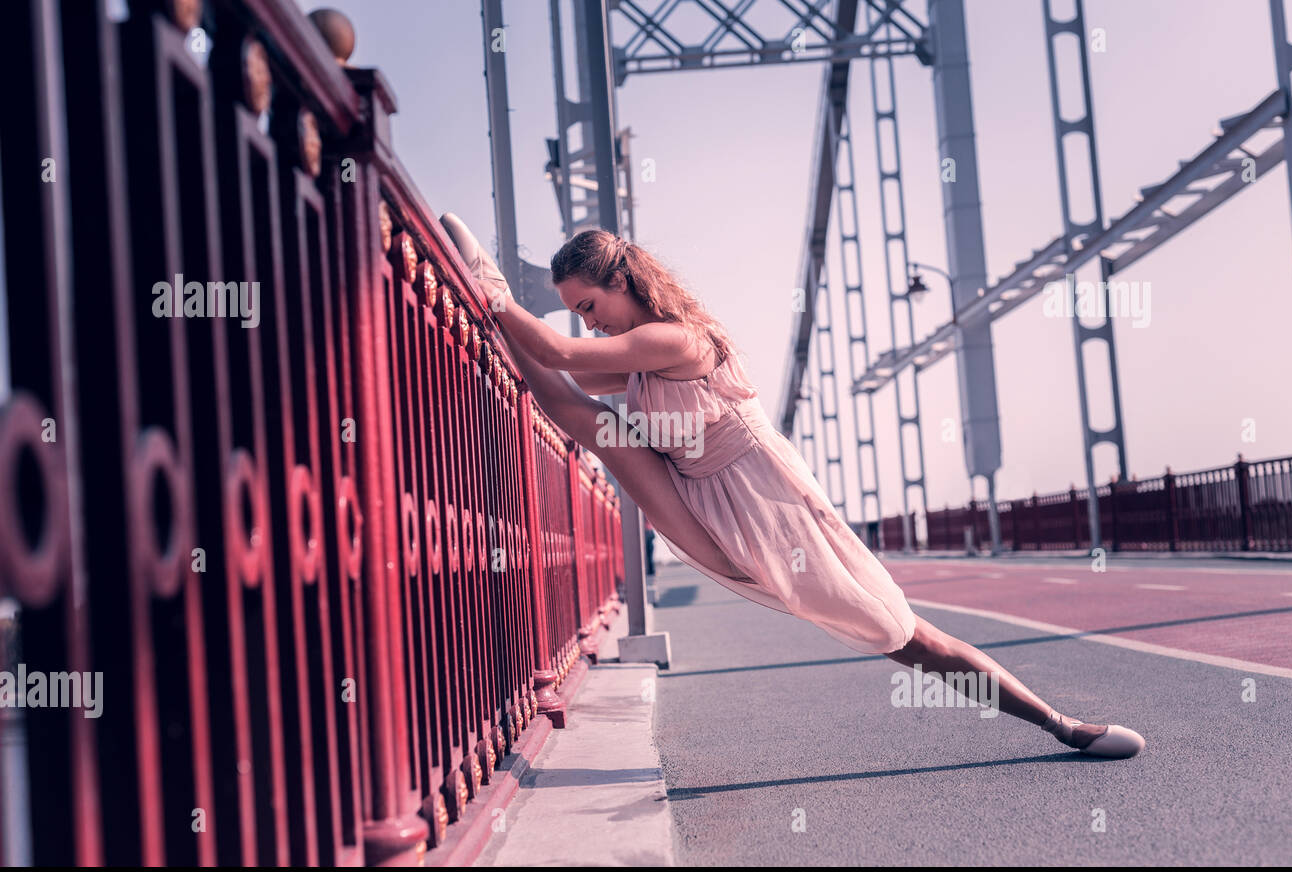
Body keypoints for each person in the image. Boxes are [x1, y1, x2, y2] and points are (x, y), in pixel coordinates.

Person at [439, 214, 1145, 759]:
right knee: (584, 419)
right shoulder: (635, 360)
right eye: (576, 312)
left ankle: (1060, 724)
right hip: (699, 496)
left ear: (621, 284)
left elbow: (559, 353)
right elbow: (561, 379)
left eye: (589, 305)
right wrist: (492, 305)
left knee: (905, 635)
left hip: (766, 502)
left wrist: (501, 301)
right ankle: (1058, 723)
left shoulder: (676, 341)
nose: (584, 320)